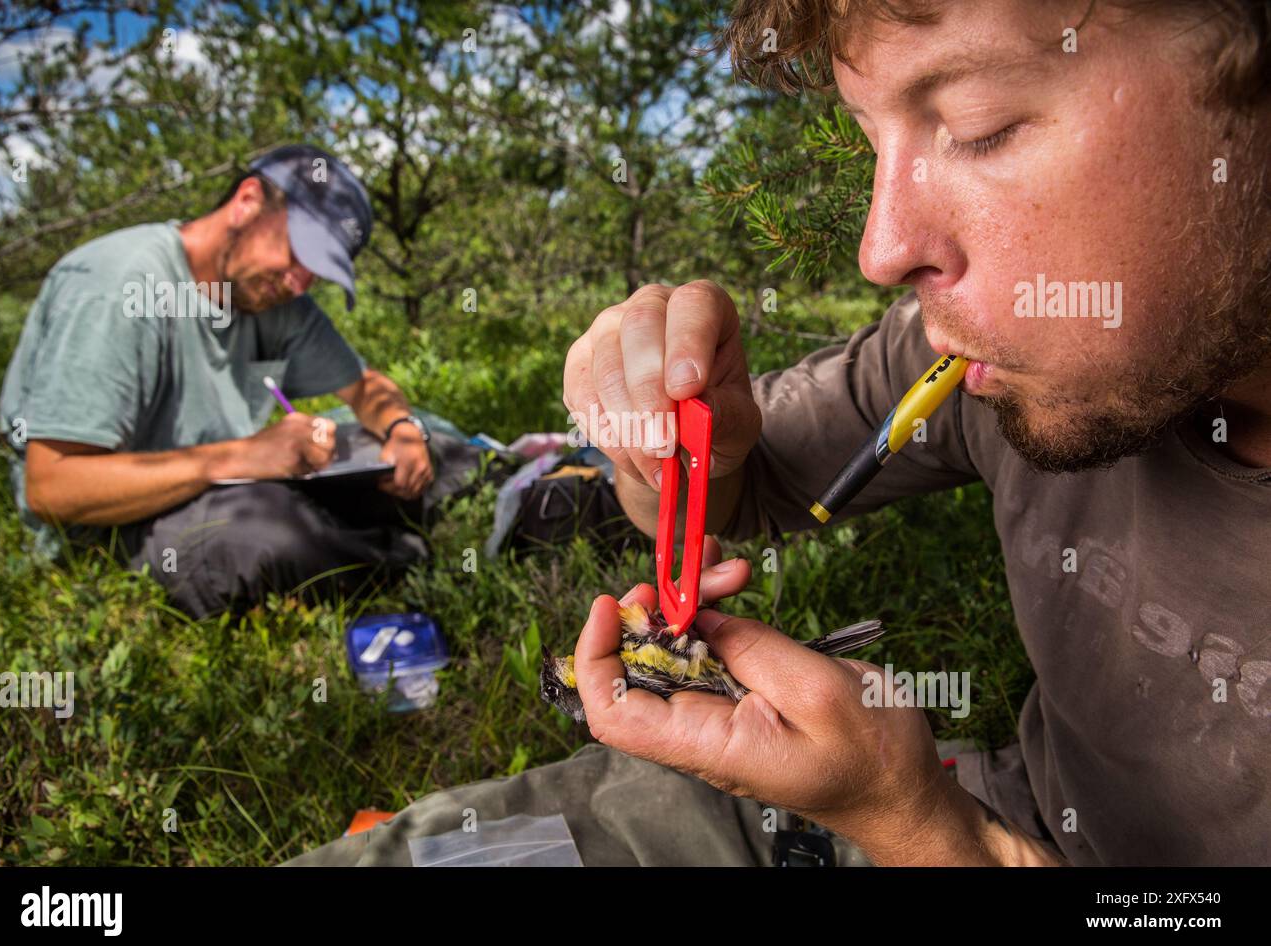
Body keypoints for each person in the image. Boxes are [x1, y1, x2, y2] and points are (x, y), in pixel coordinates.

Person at [290, 0, 1269, 866]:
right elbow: (750, 486)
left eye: (978, 125)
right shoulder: (974, 363)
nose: (881, 248)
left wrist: (925, 832)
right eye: (869, 140)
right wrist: (670, 445)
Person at [0, 145, 436, 619]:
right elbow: (51, 487)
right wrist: (239, 456)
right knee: (268, 538)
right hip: (115, 523)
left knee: (436, 446)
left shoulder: (275, 301)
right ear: (247, 201)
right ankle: (412, 562)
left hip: (224, 485)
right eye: (297, 254)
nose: (298, 283)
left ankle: (392, 543)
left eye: (317, 273)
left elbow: (366, 386)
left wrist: (402, 429)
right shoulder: (119, 286)